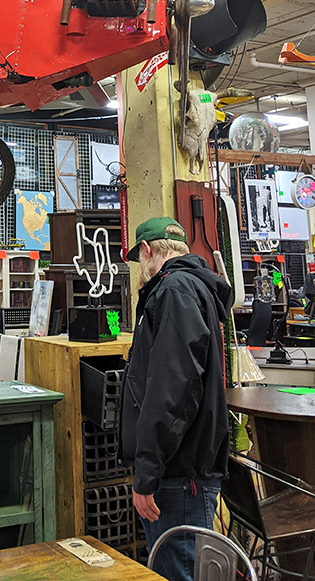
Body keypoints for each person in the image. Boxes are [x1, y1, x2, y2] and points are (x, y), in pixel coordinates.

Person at [120, 217, 233, 581]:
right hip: (183, 471)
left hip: (178, 474)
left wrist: (147, 472)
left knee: (179, 571)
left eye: (139, 259)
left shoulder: (173, 291)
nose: (140, 269)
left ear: (148, 251)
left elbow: (173, 387)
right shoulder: (192, 288)